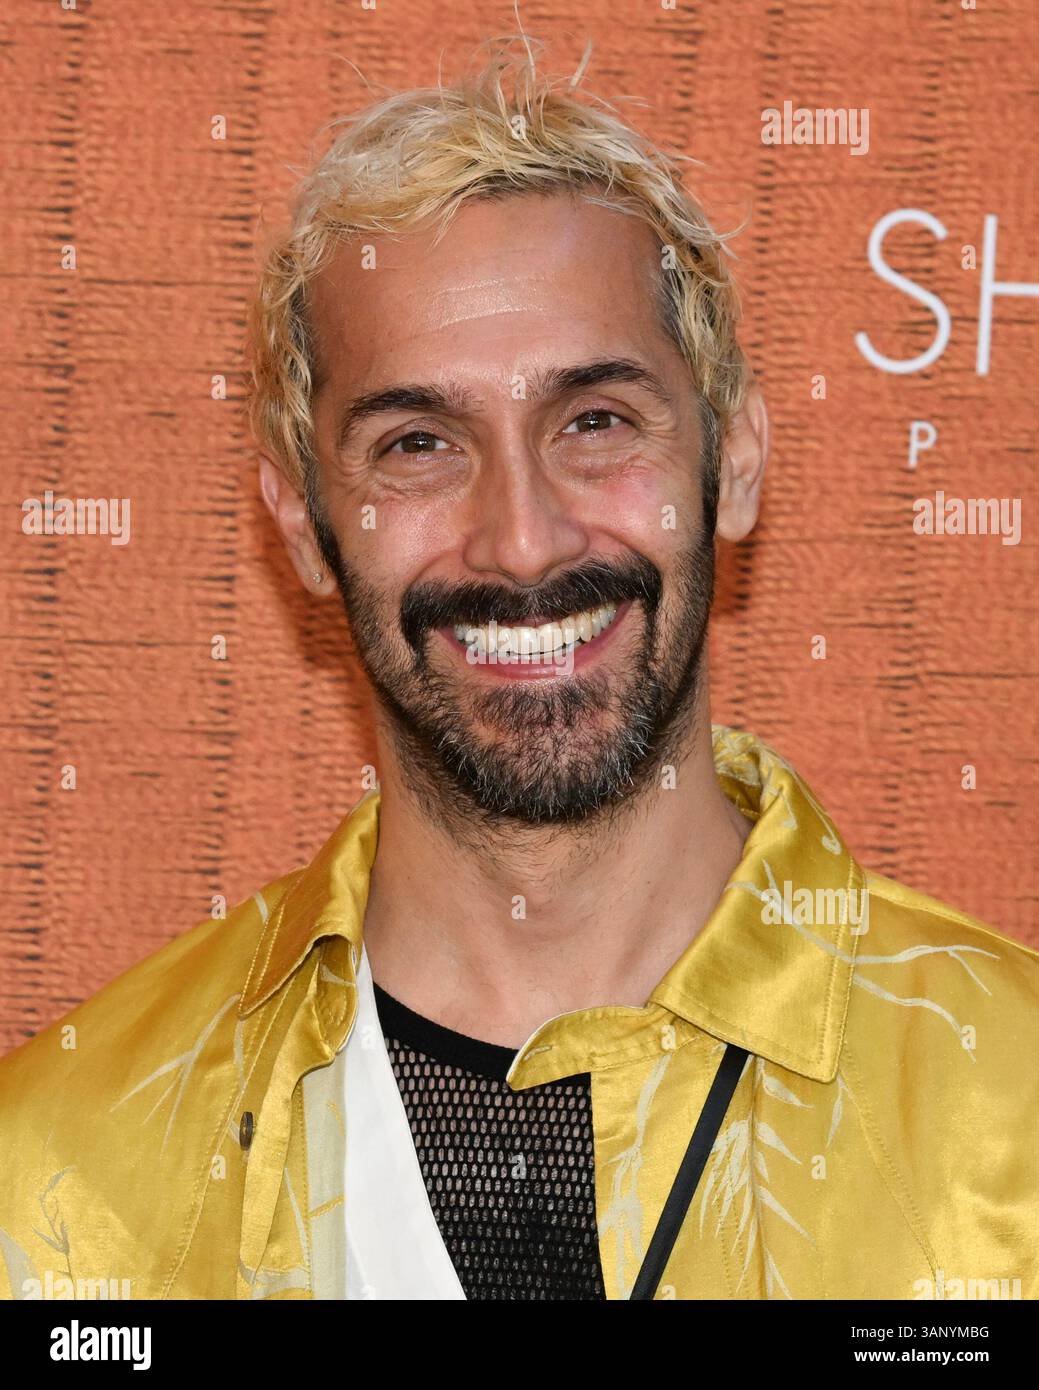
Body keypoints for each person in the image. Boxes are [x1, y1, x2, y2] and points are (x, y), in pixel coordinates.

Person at [1, 36, 1036, 1302]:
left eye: (595, 421)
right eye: (418, 444)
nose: (523, 538)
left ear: (738, 459)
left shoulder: (1014, 1117)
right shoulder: (61, 1181)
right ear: (300, 529)